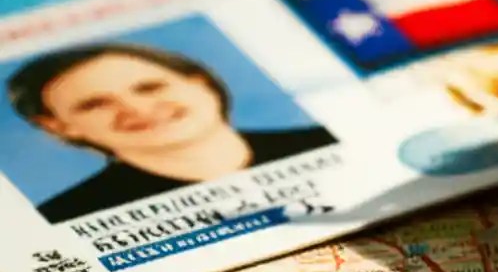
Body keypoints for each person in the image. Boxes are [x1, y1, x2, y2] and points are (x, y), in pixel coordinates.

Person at [6, 43, 337, 223]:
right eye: (95, 104)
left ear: (200, 82)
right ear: (57, 125)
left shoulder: (322, 140)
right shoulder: (66, 216)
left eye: (149, 87)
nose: (136, 109)